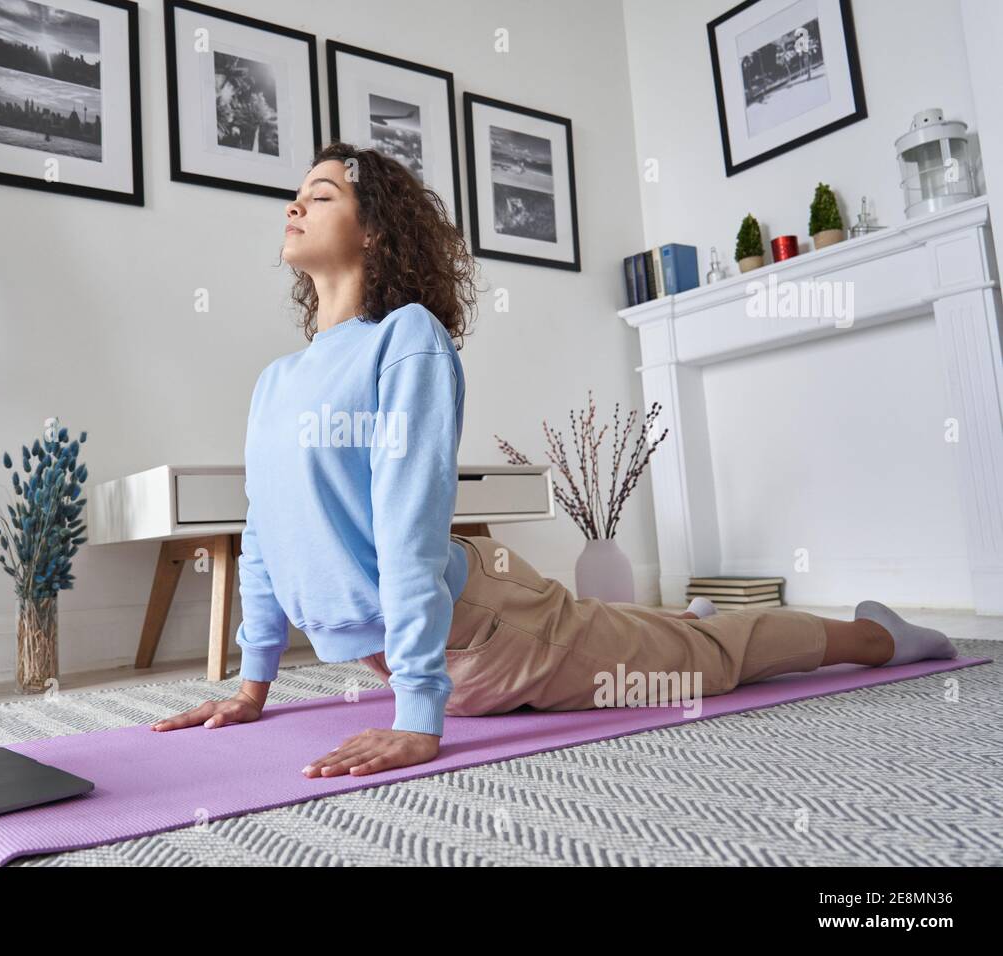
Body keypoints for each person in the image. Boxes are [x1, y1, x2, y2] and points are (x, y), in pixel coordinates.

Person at [150, 142, 959, 778]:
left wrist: (418, 715)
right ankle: (675, 620)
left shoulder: (405, 343)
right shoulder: (276, 382)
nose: (295, 203)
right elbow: (264, 532)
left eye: (322, 193)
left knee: (700, 667)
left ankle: (874, 637)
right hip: (453, 624)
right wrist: (251, 688)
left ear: (374, 231)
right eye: (299, 192)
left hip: (490, 635)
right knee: (619, 634)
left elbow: (410, 524)